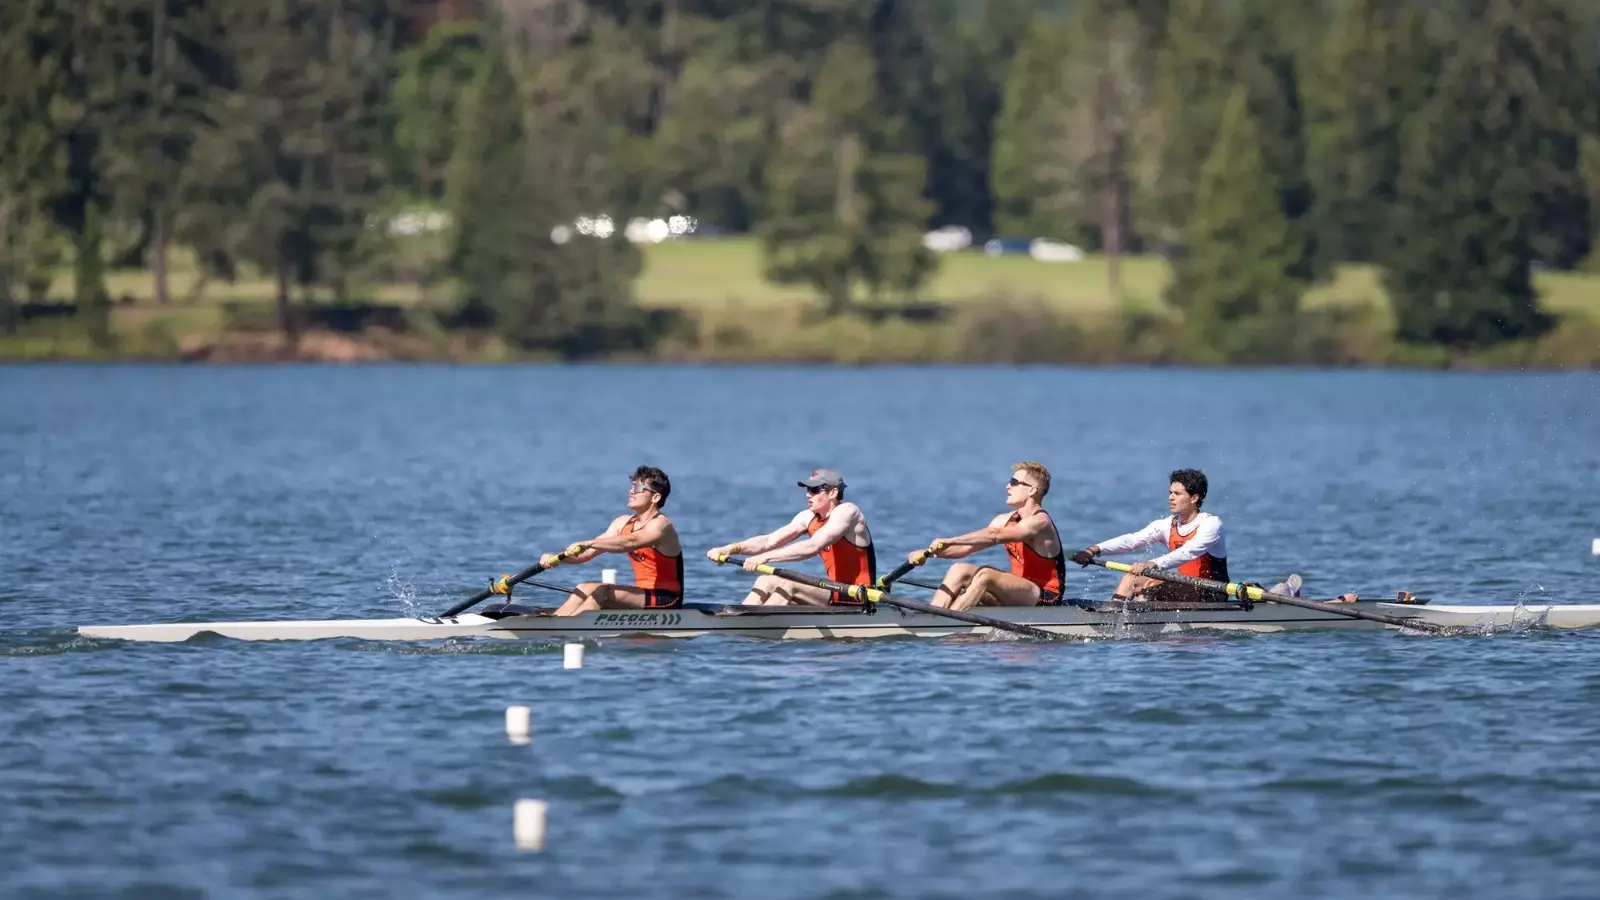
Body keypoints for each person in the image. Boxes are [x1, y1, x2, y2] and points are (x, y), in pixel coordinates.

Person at [705, 468, 876, 606]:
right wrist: (731, 548)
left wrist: (764, 558)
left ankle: (755, 633)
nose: (808, 494)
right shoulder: (807, 517)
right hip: (832, 592)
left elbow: (812, 546)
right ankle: (741, 627)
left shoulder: (848, 512)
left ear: (833, 493)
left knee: (787, 584)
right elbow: (768, 541)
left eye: (815, 490)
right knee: (765, 581)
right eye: (807, 489)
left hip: (857, 595)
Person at [914, 461, 1066, 611]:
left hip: (1046, 598)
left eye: (1014, 482)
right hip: (1016, 593)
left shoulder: (1040, 522)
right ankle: (932, 615)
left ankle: (946, 622)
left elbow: (995, 535)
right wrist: (928, 553)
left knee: (986, 575)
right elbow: (964, 549)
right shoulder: (1004, 520)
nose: (1008, 486)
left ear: (1032, 490)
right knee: (959, 569)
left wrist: (950, 540)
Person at [537, 466, 684, 616]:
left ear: (655, 497)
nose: (631, 491)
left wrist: (589, 542)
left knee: (603, 592)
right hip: (642, 594)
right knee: (584, 588)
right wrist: (556, 557)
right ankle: (554, 623)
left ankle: (566, 628)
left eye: (639, 487)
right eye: (632, 485)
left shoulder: (661, 525)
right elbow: (585, 554)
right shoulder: (622, 523)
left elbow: (631, 541)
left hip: (667, 598)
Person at [1072, 468, 1229, 603]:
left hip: (1210, 593)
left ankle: (1139, 626)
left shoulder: (1211, 524)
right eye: (1170, 493)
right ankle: (1113, 617)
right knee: (1132, 578)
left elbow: (1188, 552)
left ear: (1194, 498)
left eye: (1177, 493)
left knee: (1148, 592)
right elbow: (1132, 540)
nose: (1171, 498)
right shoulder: (1167, 525)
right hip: (1185, 586)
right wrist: (1093, 550)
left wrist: (1152, 563)